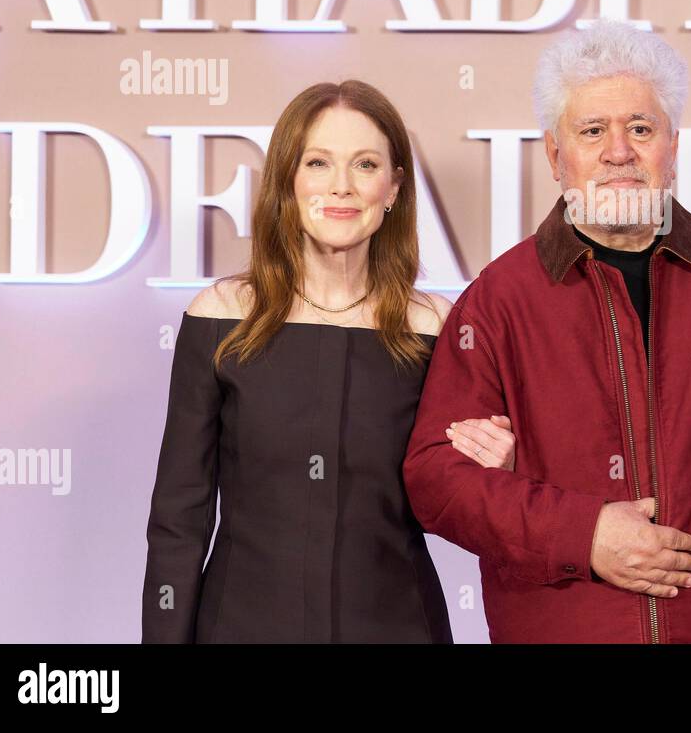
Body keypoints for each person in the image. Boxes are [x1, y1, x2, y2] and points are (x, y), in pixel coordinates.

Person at [403, 18, 691, 643]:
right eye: (592, 131)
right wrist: (583, 535)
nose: (619, 152)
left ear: (673, 146)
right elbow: (437, 479)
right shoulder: (498, 302)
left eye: (641, 129)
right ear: (556, 156)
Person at [141, 80, 505, 643]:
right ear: (288, 180)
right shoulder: (219, 316)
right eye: (318, 162)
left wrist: (498, 471)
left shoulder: (437, 328)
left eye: (365, 164)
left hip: (399, 628)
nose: (341, 186)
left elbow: (460, 502)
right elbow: (178, 520)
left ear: (394, 188)